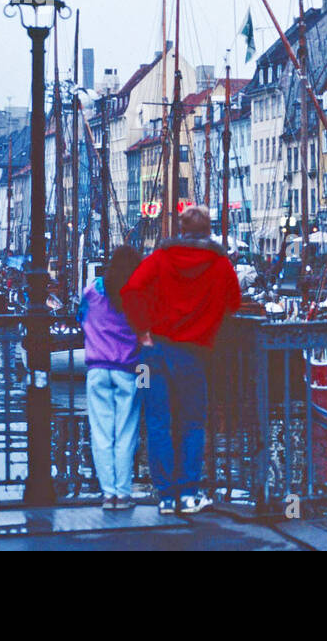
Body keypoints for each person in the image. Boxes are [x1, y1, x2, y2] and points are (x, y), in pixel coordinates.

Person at [121, 206, 241, 515]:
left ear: (181, 228)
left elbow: (131, 289)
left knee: (157, 420)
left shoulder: (160, 258)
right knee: (192, 422)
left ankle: (164, 496)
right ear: (209, 229)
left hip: (151, 353)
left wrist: (142, 331)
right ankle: (188, 494)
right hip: (192, 353)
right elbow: (234, 302)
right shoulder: (219, 263)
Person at [78, 245, 143, 510]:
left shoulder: (92, 291)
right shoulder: (136, 295)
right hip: (127, 370)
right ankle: (123, 493)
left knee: (101, 433)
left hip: (96, 369)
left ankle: (108, 494)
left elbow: (81, 319)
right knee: (126, 433)